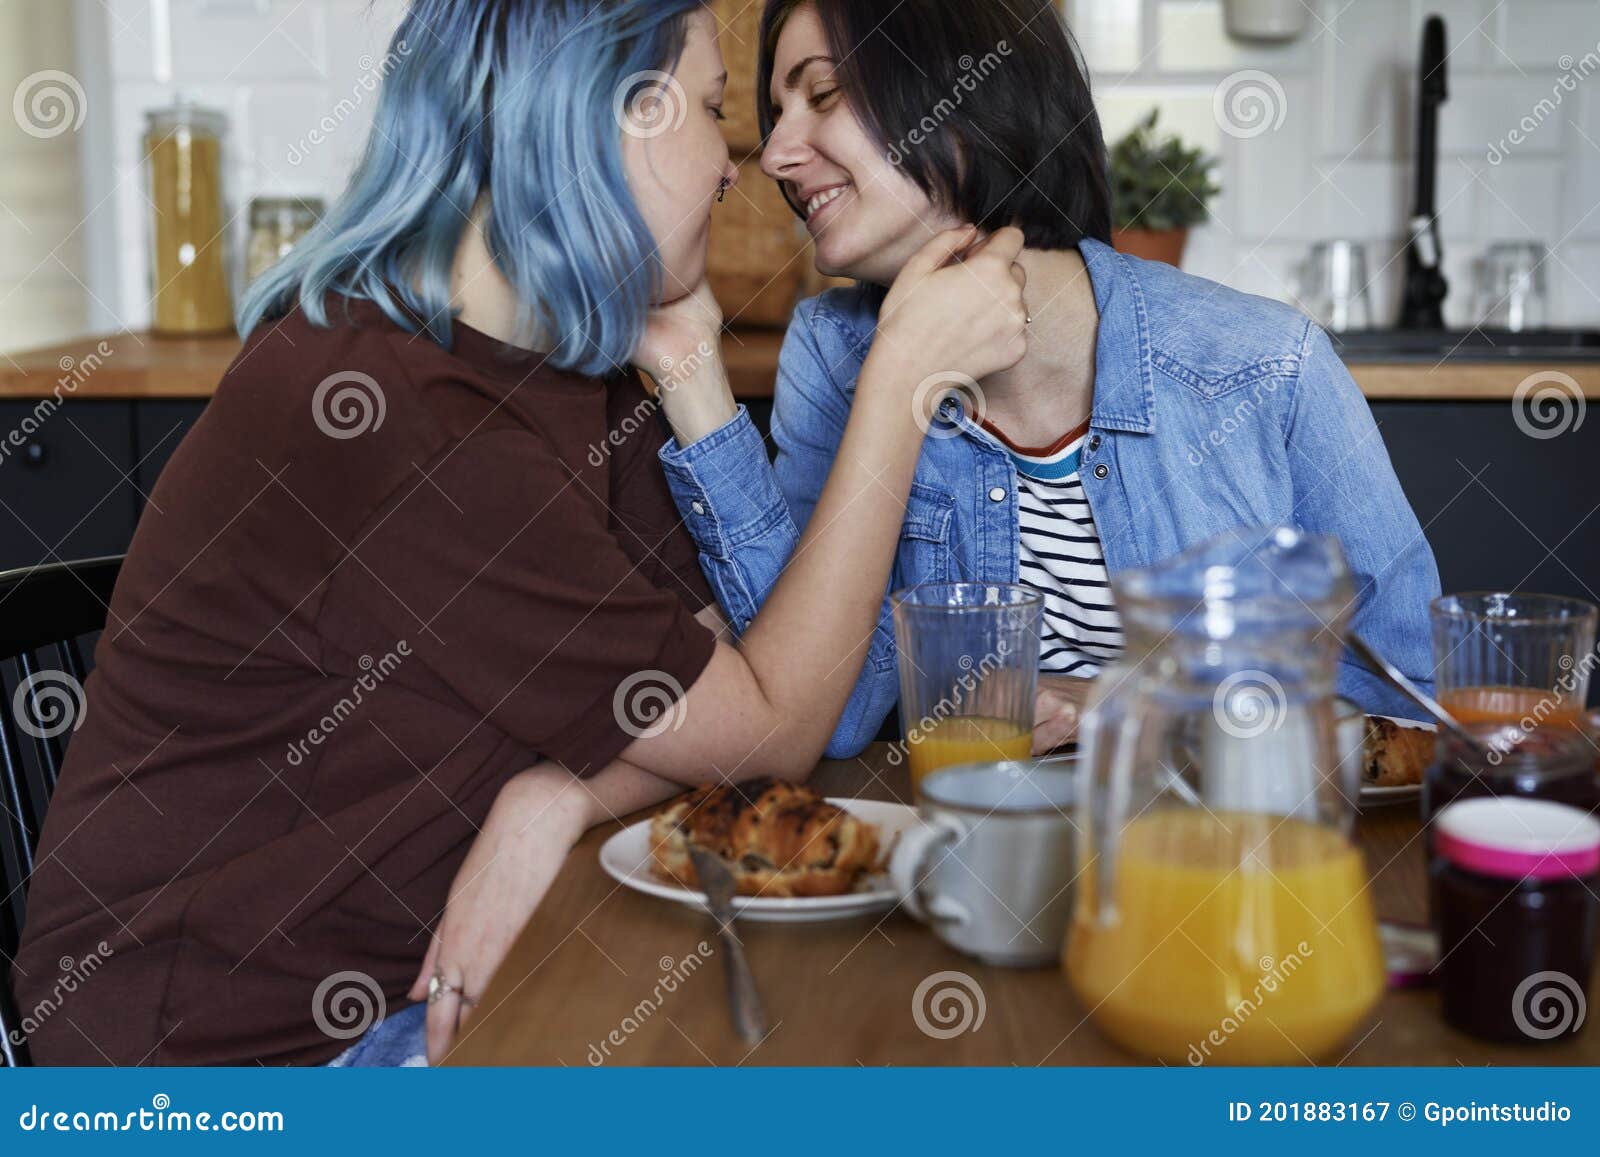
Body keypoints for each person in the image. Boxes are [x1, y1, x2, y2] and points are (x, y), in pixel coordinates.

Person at [14, 0, 1026, 1067]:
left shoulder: (557, 377)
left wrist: (555, 795)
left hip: (430, 969)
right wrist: (901, 383)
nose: (737, 167)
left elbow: (731, 696)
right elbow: (766, 728)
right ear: (606, 120)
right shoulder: (392, 412)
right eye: (714, 110)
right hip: (233, 1058)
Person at [649, 0, 1441, 757]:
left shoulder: (1269, 366)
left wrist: (1147, 705)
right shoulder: (833, 354)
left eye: (821, 94)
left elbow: (1414, 700)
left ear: (963, 93)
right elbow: (827, 715)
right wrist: (703, 383)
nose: (778, 156)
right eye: (777, 113)